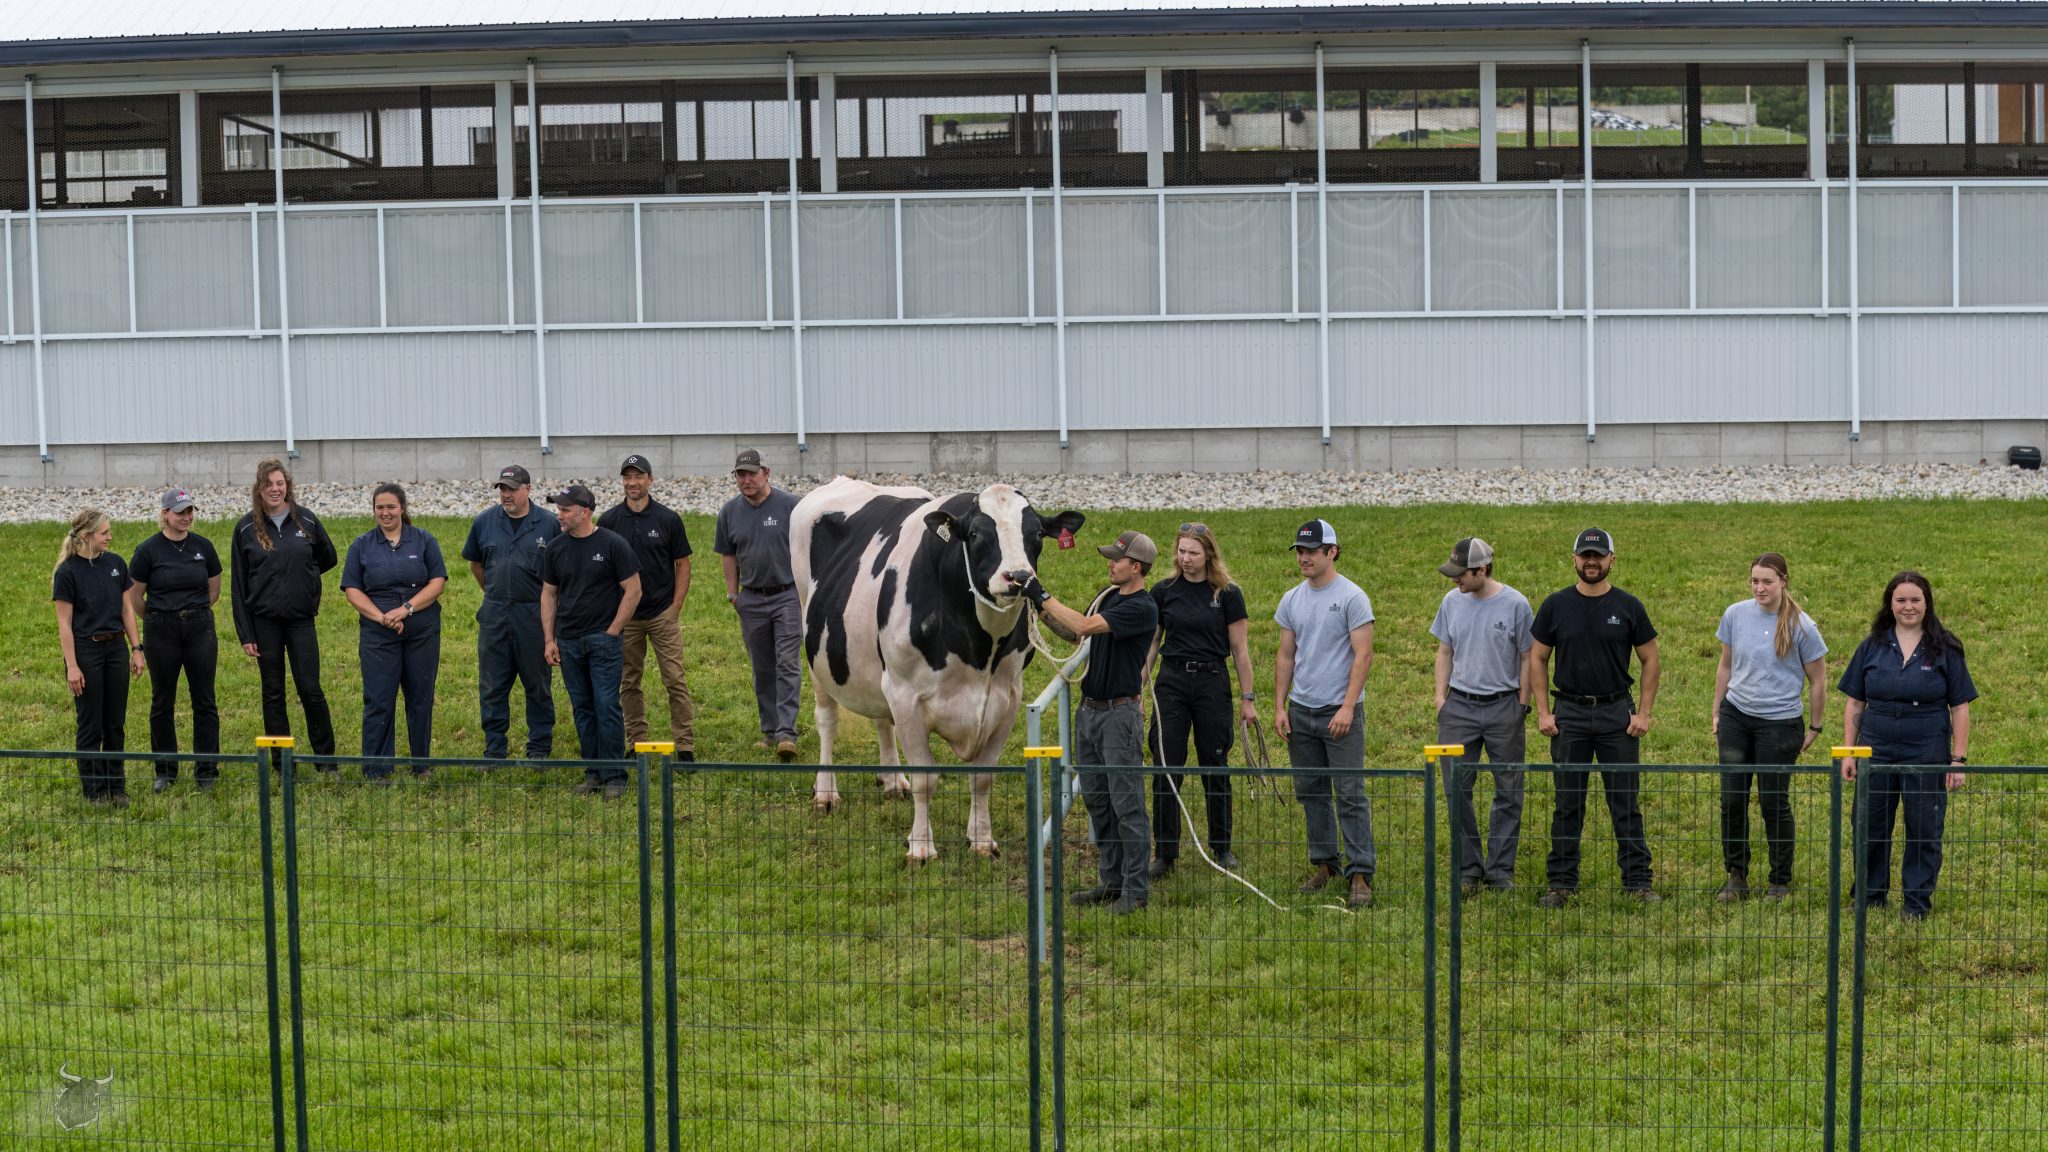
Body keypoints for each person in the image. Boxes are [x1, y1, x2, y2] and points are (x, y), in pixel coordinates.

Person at [1022, 530, 1160, 915]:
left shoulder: (1142, 608)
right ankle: (1111, 881)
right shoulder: (1111, 598)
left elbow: (1083, 628)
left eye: (1116, 559)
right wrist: (1037, 607)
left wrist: (1040, 591)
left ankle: (1135, 891)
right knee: (1099, 802)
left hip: (1118, 717)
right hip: (1092, 713)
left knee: (1127, 805)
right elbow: (1074, 631)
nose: (1109, 564)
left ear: (1136, 567)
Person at [1529, 527, 1661, 906]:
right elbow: (1537, 657)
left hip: (1616, 714)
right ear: (1573, 559)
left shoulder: (1629, 606)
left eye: (1598, 556)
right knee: (1567, 802)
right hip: (1568, 713)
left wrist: (1645, 714)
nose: (1591, 562)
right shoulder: (1555, 605)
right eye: (1585, 555)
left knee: (1625, 802)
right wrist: (1543, 712)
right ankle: (1561, 883)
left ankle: (1638, 882)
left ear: (1611, 560)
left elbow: (1650, 659)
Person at [1838, 571, 1975, 922]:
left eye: (1915, 600)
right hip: (1875, 749)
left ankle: (1916, 903)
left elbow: (1960, 707)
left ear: (1926, 603)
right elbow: (1855, 703)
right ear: (1890, 604)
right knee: (1868, 823)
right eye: (1901, 600)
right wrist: (1850, 752)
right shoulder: (1872, 645)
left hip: (1926, 751)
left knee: (1924, 828)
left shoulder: (1946, 648)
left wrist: (1957, 759)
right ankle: (1869, 896)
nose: (1908, 606)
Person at [1712, 552, 1828, 901]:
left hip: (1779, 724)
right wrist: (1717, 711)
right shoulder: (1735, 614)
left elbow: (1818, 681)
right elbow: (1725, 665)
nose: (1759, 588)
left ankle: (1779, 881)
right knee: (1732, 798)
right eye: (1754, 581)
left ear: (1783, 582)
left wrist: (1816, 727)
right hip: (1736, 717)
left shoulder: (1802, 626)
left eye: (1767, 581)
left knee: (1773, 801)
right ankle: (1736, 875)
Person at [1142, 523, 1256, 877]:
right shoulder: (1163, 592)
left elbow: (1239, 650)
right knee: (1166, 766)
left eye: (1193, 552)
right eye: (1181, 551)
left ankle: (1221, 848)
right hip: (1172, 681)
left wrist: (1247, 698)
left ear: (1208, 553)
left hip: (1212, 682)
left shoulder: (1227, 594)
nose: (1185, 558)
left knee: (1215, 766)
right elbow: (1153, 643)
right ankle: (1165, 853)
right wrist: (1138, 687)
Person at [1274, 519, 1377, 909]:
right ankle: (1325, 864)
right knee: (1311, 793)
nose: (1303, 558)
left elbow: (1363, 655)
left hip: (1340, 714)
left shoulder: (1353, 597)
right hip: (1302, 712)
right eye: (1299, 551)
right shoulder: (1292, 599)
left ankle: (1361, 874)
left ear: (1332, 552)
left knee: (1350, 793)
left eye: (1311, 551)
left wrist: (1349, 706)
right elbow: (1286, 655)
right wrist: (1280, 706)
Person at [1431, 537, 1534, 899]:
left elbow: (1527, 657)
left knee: (1509, 791)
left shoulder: (1517, 604)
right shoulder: (1450, 602)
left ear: (1483, 570)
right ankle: (1468, 868)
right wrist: (1441, 698)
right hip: (1458, 708)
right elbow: (1445, 650)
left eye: (1461, 574)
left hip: (1504, 707)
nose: (1455, 580)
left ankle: (1500, 870)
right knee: (1455, 788)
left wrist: (1522, 703)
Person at [231, 459, 338, 759]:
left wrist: (305, 580)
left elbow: (327, 558)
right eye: (268, 485)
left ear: (287, 486)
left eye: (280, 483)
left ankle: (326, 759)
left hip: (301, 621)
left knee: (310, 689)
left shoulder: (307, 521)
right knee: (273, 692)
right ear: (259, 489)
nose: (275, 489)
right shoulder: (245, 529)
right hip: (264, 623)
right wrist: (245, 633)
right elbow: (239, 585)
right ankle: (280, 761)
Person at [541, 484, 643, 798]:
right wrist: (549, 639)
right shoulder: (556, 548)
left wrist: (613, 631)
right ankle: (593, 773)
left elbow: (634, 590)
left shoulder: (613, 545)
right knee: (582, 709)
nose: (559, 515)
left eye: (565, 509)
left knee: (606, 706)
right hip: (568, 642)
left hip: (603, 641)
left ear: (585, 512)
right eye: (558, 509)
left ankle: (615, 777)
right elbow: (549, 593)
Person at [341, 484, 448, 778]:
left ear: (402, 508)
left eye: (391, 507)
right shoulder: (361, 545)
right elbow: (352, 589)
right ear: (374, 510)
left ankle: (421, 766)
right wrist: (382, 617)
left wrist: (406, 609)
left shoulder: (424, 541)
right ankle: (377, 770)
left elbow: (437, 582)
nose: (385, 513)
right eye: (379, 507)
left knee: (420, 697)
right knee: (379, 699)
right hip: (378, 635)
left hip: (421, 631)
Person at [598, 454, 697, 762]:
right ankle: (636, 742)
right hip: (626, 617)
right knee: (629, 681)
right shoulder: (609, 521)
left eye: (638, 477)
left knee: (675, 679)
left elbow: (682, 564)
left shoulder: (668, 519)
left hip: (661, 613)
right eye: (627, 477)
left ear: (650, 480)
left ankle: (685, 746)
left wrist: (675, 606)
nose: (632, 483)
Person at [462, 465, 559, 762]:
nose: (506, 494)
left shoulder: (550, 524)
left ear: (528, 489)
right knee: (492, 684)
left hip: (533, 614)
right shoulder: (484, 522)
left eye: (512, 489)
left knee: (537, 684)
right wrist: (494, 591)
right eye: (502, 489)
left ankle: (539, 748)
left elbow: (558, 573)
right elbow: (476, 564)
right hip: (495, 614)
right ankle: (494, 748)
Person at [128, 488, 222, 793]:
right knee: (162, 701)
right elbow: (134, 597)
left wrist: (193, 613)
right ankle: (165, 771)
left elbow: (214, 591)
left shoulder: (203, 547)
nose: (186, 517)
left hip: (199, 629)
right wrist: (158, 618)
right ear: (165, 514)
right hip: (161, 630)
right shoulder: (148, 551)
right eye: (180, 512)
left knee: (204, 700)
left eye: (190, 511)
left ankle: (206, 770)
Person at [53, 509, 146, 805]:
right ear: (86, 536)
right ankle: (94, 791)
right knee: (91, 723)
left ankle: (116, 787)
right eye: (104, 532)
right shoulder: (67, 573)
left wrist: (136, 648)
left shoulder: (116, 564)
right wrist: (72, 666)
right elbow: (64, 625)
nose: (110, 536)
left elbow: (126, 610)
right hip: (87, 650)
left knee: (115, 722)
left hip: (116, 649)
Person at [714, 449, 802, 761]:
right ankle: (770, 730)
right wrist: (733, 594)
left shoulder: (792, 506)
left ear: (767, 472)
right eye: (740, 474)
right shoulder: (729, 512)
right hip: (750, 597)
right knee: (762, 668)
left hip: (787, 595)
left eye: (752, 473)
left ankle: (787, 733)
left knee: (787, 662)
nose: (746, 479)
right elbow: (727, 554)